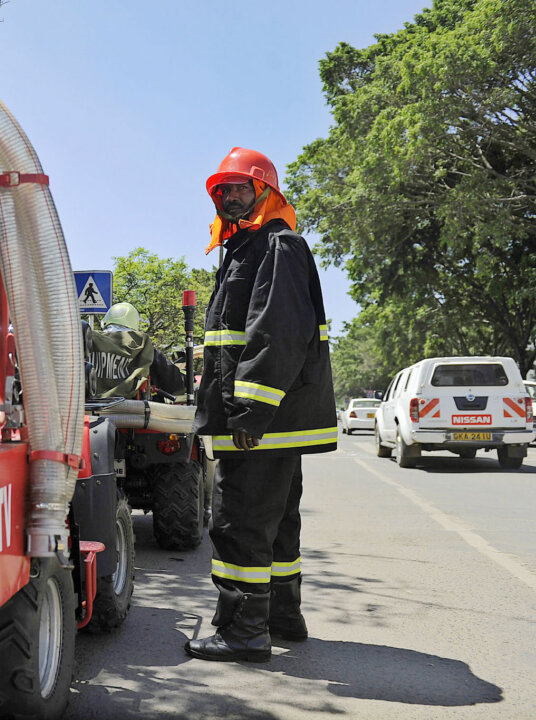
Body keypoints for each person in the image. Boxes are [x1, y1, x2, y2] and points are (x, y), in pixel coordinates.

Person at [185, 147, 336, 663]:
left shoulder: (277, 245)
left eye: (239, 188)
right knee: (276, 520)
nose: (228, 197)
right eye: (221, 190)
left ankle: (243, 632)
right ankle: (281, 616)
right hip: (269, 423)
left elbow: (277, 335)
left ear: (266, 193)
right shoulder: (251, 248)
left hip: (256, 422)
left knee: (239, 521)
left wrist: (251, 411)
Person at [88, 301, 184, 399]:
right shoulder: (144, 346)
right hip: (134, 410)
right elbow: (176, 385)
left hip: (88, 409)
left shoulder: (89, 342)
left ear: (106, 322)